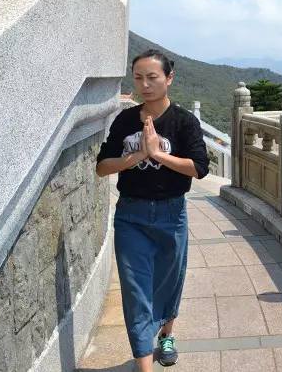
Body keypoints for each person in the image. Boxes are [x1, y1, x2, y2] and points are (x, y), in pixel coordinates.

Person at [96, 49, 208, 370]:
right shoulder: (125, 120)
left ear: (168, 79)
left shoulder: (184, 122)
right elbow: (103, 166)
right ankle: (145, 365)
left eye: (152, 77)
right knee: (135, 291)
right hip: (131, 214)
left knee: (169, 281)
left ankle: (166, 334)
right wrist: (136, 156)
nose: (145, 85)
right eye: (138, 78)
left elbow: (199, 168)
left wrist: (158, 155)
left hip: (171, 214)